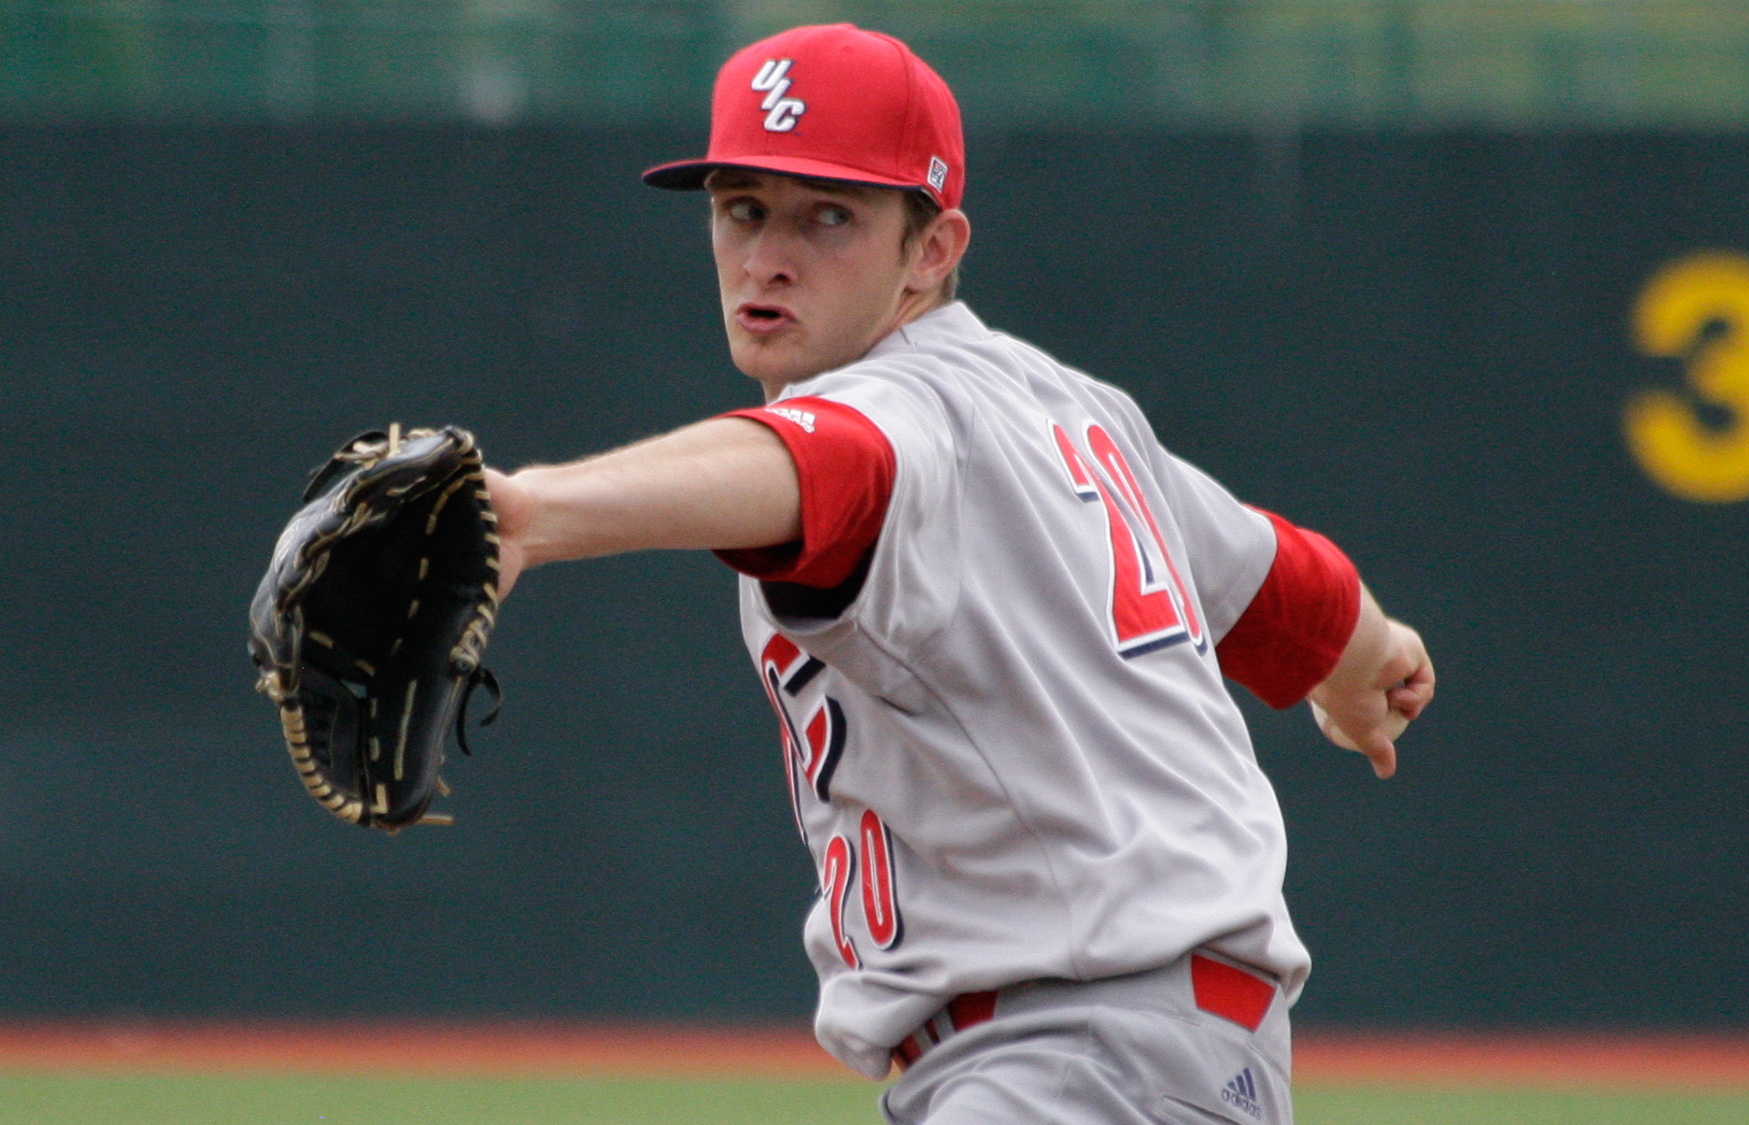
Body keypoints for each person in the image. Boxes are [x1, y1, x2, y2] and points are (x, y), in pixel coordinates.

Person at [483, 22, 1434, 1125]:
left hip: (1078, 1050)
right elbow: (1277, 582)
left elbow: (818, 466)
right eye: (742, 208)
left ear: (931, 250)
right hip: (1143, 1054)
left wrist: (532, 513)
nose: (767, 255)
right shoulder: (1075, 414)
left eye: (826, 216)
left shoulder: (903, 414)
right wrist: (1365, 656)